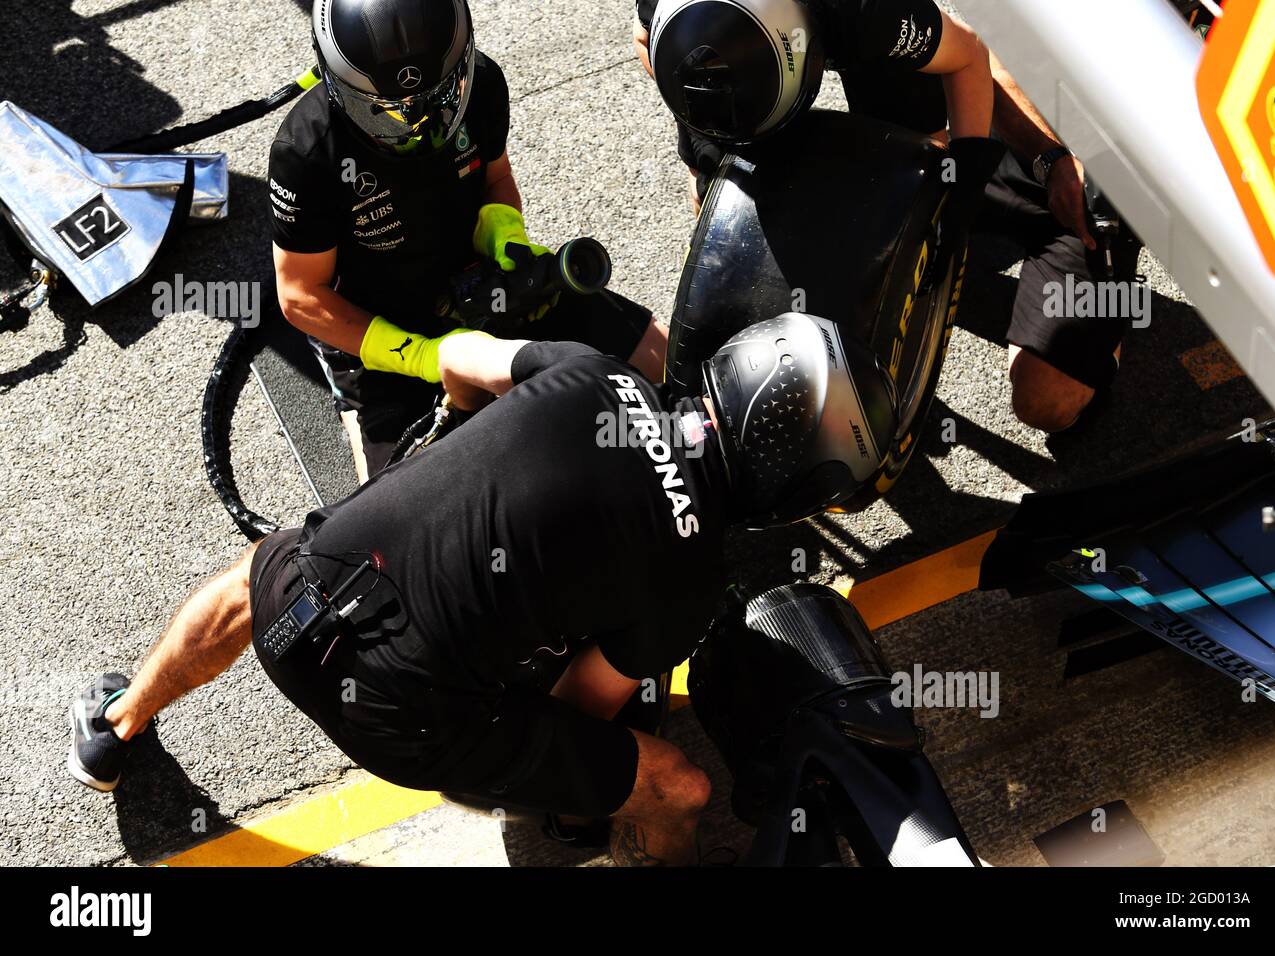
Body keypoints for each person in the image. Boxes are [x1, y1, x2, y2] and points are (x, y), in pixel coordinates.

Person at [67, 314, 899, 865]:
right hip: (400, 726)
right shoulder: (690, 576)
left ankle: (118, 723)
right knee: (678, 786)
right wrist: (585, 789)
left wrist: (461, 423)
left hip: (297, 609)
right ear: (791, 484)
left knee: (266, 571)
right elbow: (582, 703)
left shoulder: (595, 374)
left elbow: (462, 353)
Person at [635, 0, 1140, 433]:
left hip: (1029, 148)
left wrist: (968, 192)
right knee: (728, 172)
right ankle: (921, 172)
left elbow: (966, 56)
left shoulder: (865, 12)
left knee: (1045, 402)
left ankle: (1104, 214)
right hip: (760, 60)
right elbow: (644, 39)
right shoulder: (670, 14)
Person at [271, 0, 668, 482]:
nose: (413, 124)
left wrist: (506, 236)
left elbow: (496, 179)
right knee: (402, 527)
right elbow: (300, 296)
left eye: (435, 101)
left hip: (477, 280)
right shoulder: (306, 150)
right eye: (383, 110)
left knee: (666, 365)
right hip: (381, 332)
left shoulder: (482, 83)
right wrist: (419, 356)